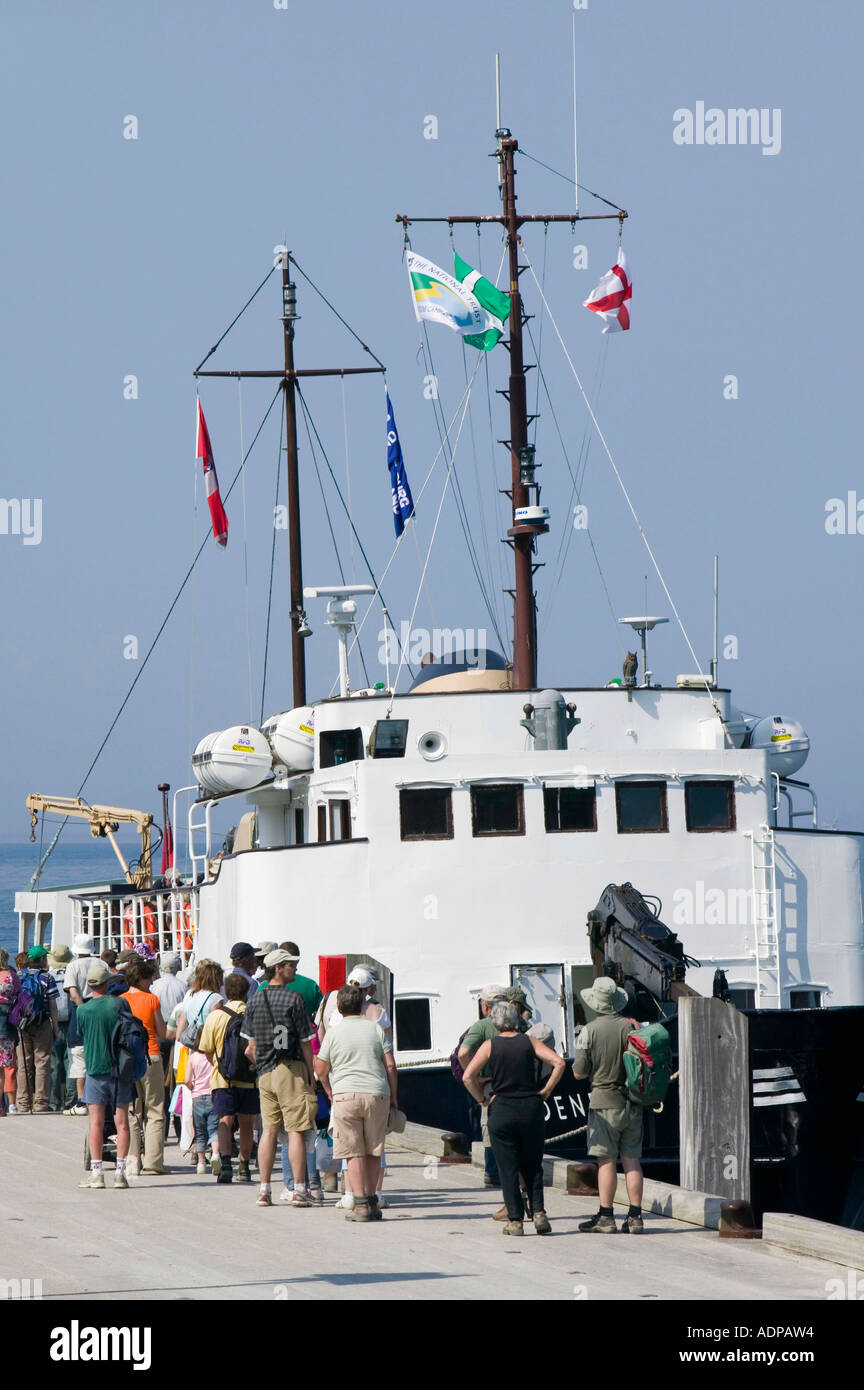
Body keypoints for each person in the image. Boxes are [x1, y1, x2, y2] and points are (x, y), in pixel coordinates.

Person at [462, 1000, 564, 1237]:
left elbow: (468, 1077)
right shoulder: (529, 1041)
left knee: (508, 1167)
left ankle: (515, 1220)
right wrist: (545, 1091)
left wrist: (482, 1100)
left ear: (495, 1022)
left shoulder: (490, 1045)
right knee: (533, 1164)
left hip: (502, 1108)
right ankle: (539, 1213)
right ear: (516, 1020)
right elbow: (558, 1063)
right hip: (531, 1107)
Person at [315, 984, 398, 1223]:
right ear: (363, 1006)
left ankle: (360, 1204)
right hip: (376, 1094)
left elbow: (320, 1069)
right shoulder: (375, 1029)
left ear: (339, 1008)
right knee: (374, 1150)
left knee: (353, 1152)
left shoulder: (334, 1033)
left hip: (345, 1096)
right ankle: (373, 1201)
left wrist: (330, 1092)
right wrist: (393, 1096)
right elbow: (390, 1065)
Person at [240, 950, 317, 1208]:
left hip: (264, 1072)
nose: (295, 969)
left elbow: (249, 1048)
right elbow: (306, 1043)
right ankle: (299, 1189)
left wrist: (261, 1063)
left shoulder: (254, 999)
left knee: (269, 1130)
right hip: (290, 1068)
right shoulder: (294, 999)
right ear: (279, 968)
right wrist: (310, 1074)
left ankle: (263, 1190)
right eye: (291, 965)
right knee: (295, 1129)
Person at [572, 977, 644, 1234]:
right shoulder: (633, 1026)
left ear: (595, 1004)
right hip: (633, 1102)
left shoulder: (590, 1030)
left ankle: (606, 1216)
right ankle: (635, 1217)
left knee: (607, 1160)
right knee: (632, 1160)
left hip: (603, 1102)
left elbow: (579, 1072)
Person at [76, 962, 134, 1190]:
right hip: (120, 1068)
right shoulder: (120, 1003)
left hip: (95, 1069)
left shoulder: (83, 1010)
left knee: (96, 1123)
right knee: (122, 1123)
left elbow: (81, 1034)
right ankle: (120, 1173)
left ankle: (97, 1173)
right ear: (107, 982)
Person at [198, 972, 258, 1184]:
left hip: (223, 1078)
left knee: (224, 1120)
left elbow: (205, 1049)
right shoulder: (253, 1013)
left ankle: (225, 1165)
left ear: (226, 991)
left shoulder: (216, 1016)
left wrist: (219, 1064)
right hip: (250, 1077)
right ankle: (244, 1166)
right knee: (247, 1122)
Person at [456, 984, 510, 1189]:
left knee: (490, 1127)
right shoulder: (519, 1025)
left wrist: (474, 1074)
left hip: (491, 1085)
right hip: (517, 1085)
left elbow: (463, 1053)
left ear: (485, 1006)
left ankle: (493, 1171)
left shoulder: (482, 1026)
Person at [124, 959, 168, 1175]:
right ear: (141, 979)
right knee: (155, 1110)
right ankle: (154, 1161)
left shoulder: (120, 1001)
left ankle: (132, 1161)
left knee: (133, 1110)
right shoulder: (151, 1000)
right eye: (149, 978)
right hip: (151, 1055)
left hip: (128, 1059)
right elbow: (161, 1031)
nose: (151, 982)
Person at [15, 944, 60, 1114]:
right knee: (42, 1062)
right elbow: (53, 1006)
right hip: (41, 1023)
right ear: (42, 960)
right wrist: (55, 1028)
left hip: (21, 1025)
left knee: (23, 1063)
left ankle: (23, 1102)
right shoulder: (46, 977)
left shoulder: (18, 976)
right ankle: (40, 1102)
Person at [63, 934, 100, 1110]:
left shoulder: (73, 966)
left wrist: (82, 1009)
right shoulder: (101, 964)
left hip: (80, 1009)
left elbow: (73, 992)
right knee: (98, 1053)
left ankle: (81, 1100)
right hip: (99, 1006)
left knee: (79, 1057)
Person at [47, 943, 75, 1112]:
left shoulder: (49, 976)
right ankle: (71, 1100)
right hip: (71, 1022)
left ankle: (54, 1101)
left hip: (53, 1023)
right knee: (71, 1061)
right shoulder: (72, 975)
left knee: (54, 1064)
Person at [0, 948, 21, 1115]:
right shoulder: (12, 976)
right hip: (6, 1023)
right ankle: (7, 1105)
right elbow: (19, 996)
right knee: (6, 1067)